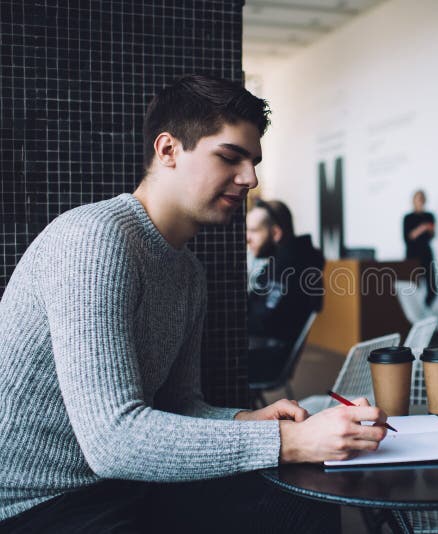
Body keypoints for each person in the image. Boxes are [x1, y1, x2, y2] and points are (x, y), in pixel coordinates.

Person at [0, 75, 387, 533]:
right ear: (168, 151)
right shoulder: (94, 240)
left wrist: (249, 419)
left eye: (254, 162)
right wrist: (286, 440)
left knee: (305, 496)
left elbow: (180, 405)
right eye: (229, 157)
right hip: (39, 504)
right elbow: (111, 441)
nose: (250, 179)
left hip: (120, 486)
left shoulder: (188, 273)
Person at [246, 199, 324, 385]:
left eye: (254, 230)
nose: (247, 237)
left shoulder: (285, 267)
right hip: (268, 351)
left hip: (266, 359)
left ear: (275, 233)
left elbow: (262, 320)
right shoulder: (296, 259)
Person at [403, 189, 437, 307]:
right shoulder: (408, 218)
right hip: (412, 256)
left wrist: (430, 229)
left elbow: (432, 235)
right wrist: (422, 228)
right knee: (412, 288)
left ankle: (424, 310)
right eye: (418, 198)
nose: (420, 201)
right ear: (413, 201)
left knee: (433, 288)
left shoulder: (429, 216)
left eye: (422, 198)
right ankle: (415, 314)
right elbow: (408, 238)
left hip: (426, 254)